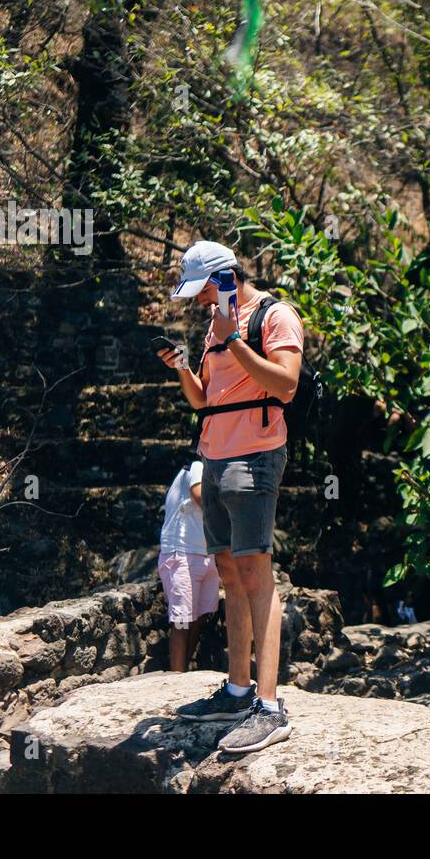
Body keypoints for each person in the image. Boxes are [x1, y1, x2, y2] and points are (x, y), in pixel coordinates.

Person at [156, 240, 302, 754]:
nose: (198, 302)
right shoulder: (214, 329)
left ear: (225, 278)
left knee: (257, 574)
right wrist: (181, 366)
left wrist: (235, 341)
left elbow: (285, 385)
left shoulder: (273, 315)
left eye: (202, 291)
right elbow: (203, 398)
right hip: (214, 459)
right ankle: (237, 691)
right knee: (229, 575)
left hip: (255, 458)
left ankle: (269, 705)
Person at [158, 460, 217, 672]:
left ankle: (182, 671)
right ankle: (177, 677)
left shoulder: (212, 471)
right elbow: (199, 494)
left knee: (198, 619)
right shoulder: (198, 466)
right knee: (182, 622)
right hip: (181, 554)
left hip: (206, 554)